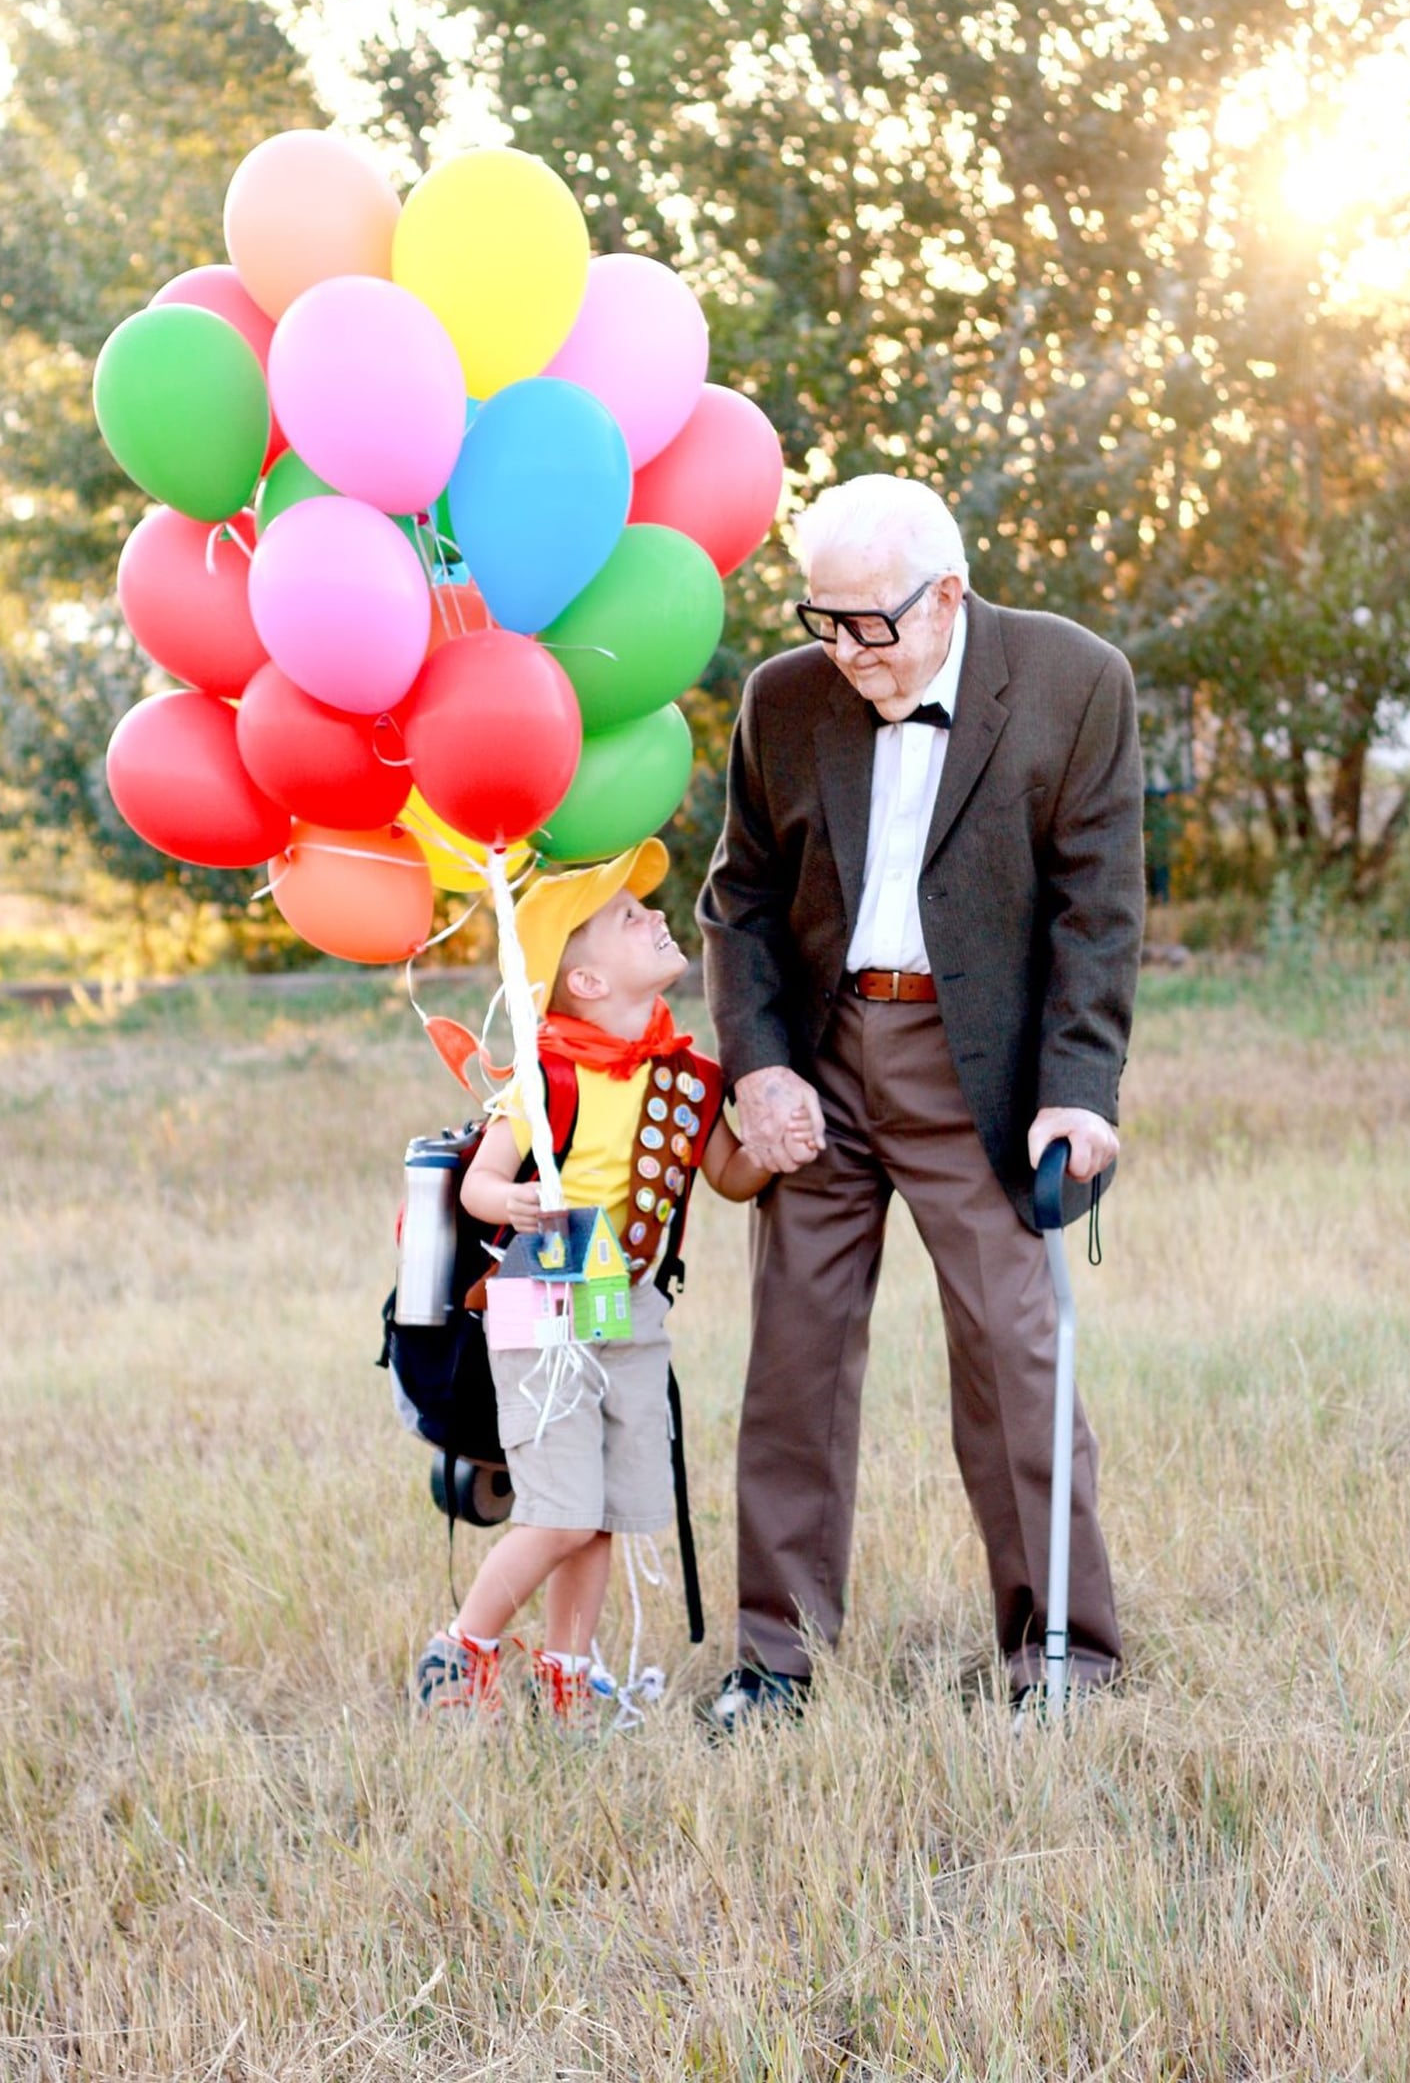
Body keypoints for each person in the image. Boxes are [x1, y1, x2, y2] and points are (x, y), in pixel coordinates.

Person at [696, 473, 1144, 1725]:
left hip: (981, 1069)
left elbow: (1096, 911)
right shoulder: (781, 699)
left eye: (866, 627)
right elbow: (735, 898)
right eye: (818, 622)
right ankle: (773, 1664)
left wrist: (1079, 1091)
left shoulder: (1073, 681)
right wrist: (759, 1064)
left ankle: (1061, 1657)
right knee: (791, 1357)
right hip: (822, 1054)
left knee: (1015, 1356)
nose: (839, 654)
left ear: (945, 594)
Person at [414, 836, 771, 1725]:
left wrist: (773, 1150)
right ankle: (463, 1651)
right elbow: (479, 1184)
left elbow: (727, 1176)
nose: (655, 915)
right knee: (560, 1510)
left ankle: (569, 1675)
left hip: (633, 1306)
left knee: (605, 1509)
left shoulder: (685, 1078)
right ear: (587, 983)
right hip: (544, 1303)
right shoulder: (544, 1076)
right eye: (627, 915)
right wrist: (519, 1198)